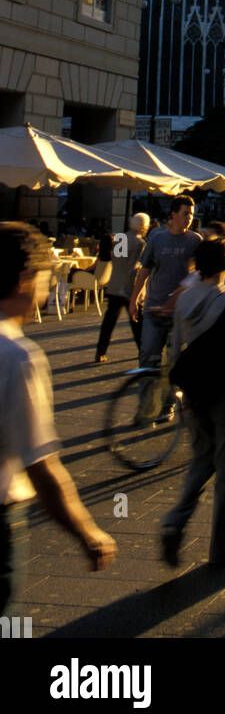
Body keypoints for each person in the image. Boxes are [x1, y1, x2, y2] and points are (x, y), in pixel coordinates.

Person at [0, 223, 116, 613]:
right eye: (46, 277)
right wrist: (88, 533)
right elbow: (41, 465)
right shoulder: (17, 356)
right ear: (23, 280)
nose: (47, 290)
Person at [160, 237, 225, 568]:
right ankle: (224, 546)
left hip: (194, 393)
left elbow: (175, 350)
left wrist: (179, 396)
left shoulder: (183, 302)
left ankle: (175, 520)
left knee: (200, 461)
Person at [128, 196, 203, 419]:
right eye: (184, 213)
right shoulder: (157, 238)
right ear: (173, 214)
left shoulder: (194, 241)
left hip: (180, 312)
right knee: (147, 357)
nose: (188, 218)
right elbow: (144, 270)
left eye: (191, 214)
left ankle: (167, 405)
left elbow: (197, 275)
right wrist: (134, 299)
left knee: (174, 361)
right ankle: (145, 407)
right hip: (153, 308)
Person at [94, 212, 150, 362]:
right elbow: (136, 268)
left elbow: (117, 262)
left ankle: (100, 351)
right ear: (143, 227)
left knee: (109, 322)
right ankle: (143, 350)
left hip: (115, 285)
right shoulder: (140, 243)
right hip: (129, 287)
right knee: (137, 322)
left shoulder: (121, 238)